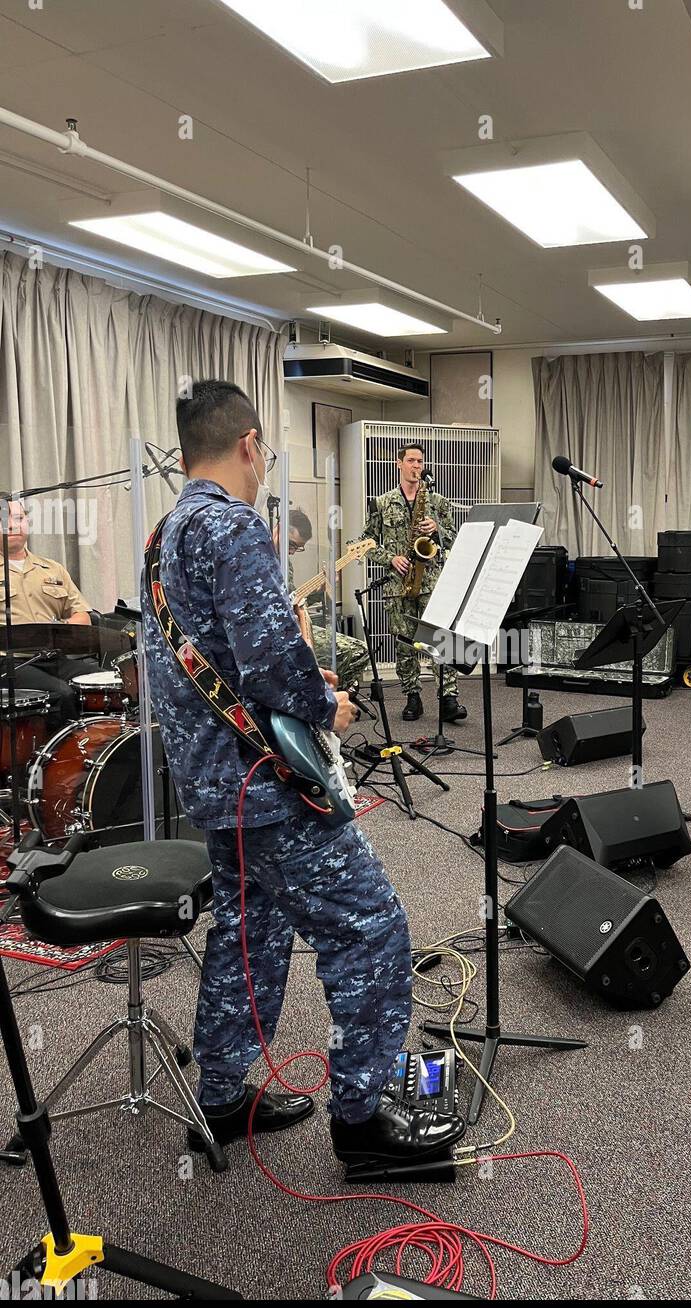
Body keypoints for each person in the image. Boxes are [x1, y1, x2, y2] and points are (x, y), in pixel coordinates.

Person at [141, 379, 464, 1164]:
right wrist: (330, 704)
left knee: (249, 933)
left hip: (214, 788)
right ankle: (362, 1121)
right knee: (372, 929)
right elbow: (274, 671)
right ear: (250, 444)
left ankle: (217, 1095)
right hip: (268, 787)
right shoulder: (233, 528)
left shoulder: (164, 534)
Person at [358, 444, 467, 723]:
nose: (416, 466)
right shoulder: (381, 503)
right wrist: (390, 558)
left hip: (431, 582)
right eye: (410, 460)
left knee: (440, 639)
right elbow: (363, 543)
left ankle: (449, 698)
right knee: (405, 644)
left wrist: (437, 529)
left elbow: (454, 539)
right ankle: (413, 697)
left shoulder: (437, 502)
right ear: (398, 463)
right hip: (399, 584)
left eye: (420, 461)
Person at [0, 499, 99, 727]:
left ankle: (109, 753)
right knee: (62, 694)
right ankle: (66, 759)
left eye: (19, 518)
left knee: (107, 681)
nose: (13, 525)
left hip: (52, 657)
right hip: (11, 663)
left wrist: (58, 629)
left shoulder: (52, 568)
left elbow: (82, 615)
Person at [272, 506, 369, 693]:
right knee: (357, 651)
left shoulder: (284, 561)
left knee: (359, 650)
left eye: (298, 548)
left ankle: (323, 693)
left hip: (295, 626)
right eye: (292, 544)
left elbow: (293, 598)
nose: (292, 551)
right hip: (277, 633)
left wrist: (319, 588)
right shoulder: (259, 554)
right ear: (279, 528)